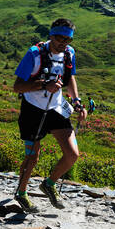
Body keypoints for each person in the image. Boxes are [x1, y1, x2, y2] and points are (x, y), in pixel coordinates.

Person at [12, 19, 85, 211]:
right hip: (32, 110)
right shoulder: (34, 54)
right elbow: (17, 86)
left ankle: (49, 184)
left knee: (72, 154)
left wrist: (76, 101)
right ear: (51, 35)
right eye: (59, 38)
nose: (63, 43)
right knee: (32, 157)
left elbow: (70, 79)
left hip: (56, 108)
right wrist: (44, 85)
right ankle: (21, 192)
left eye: (67, 39)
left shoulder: (70, 53)